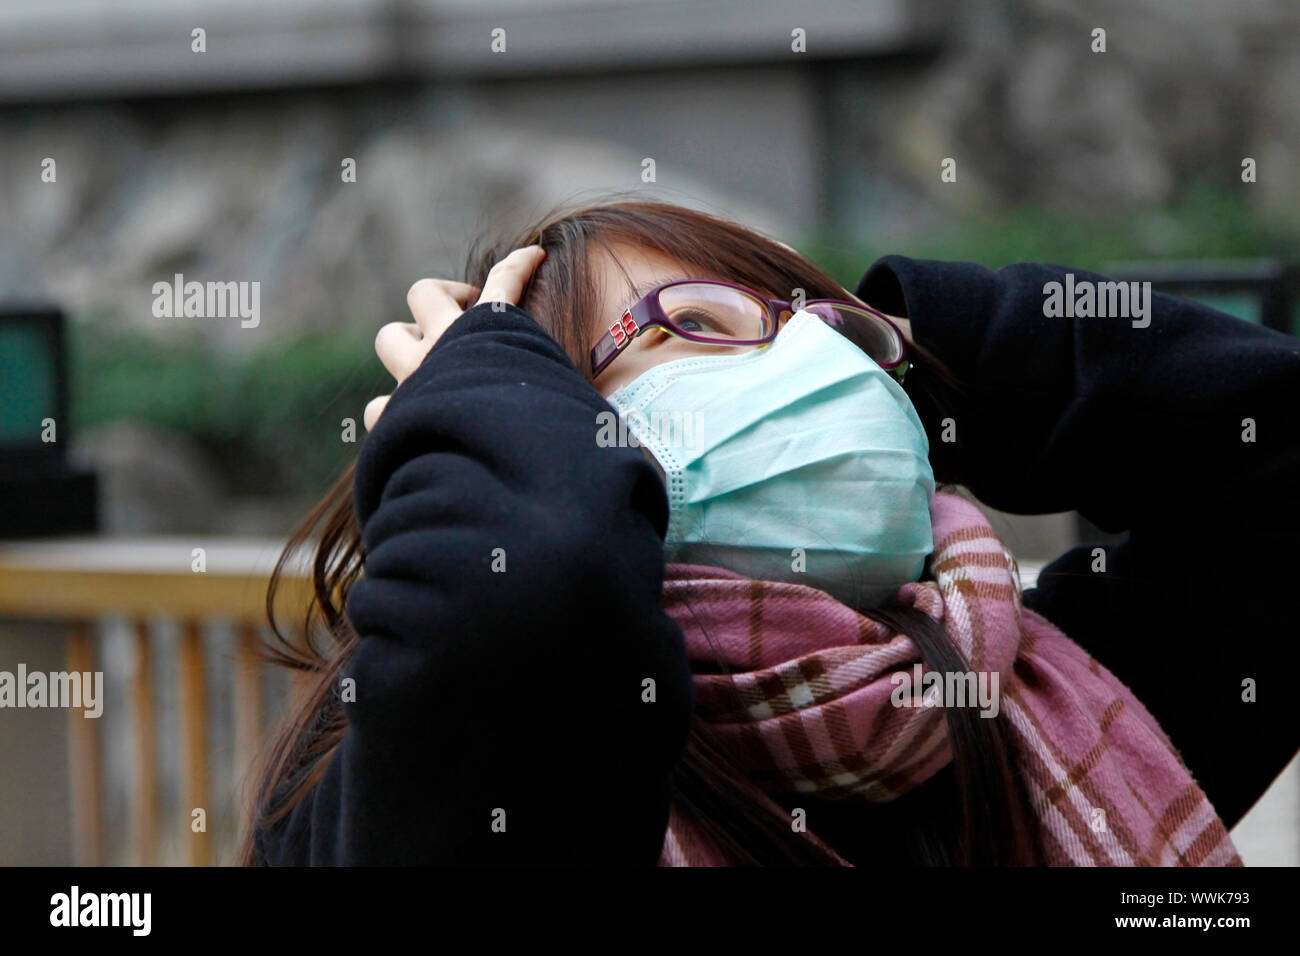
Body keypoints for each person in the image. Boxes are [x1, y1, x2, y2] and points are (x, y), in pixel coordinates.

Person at [241, 199, 1300, 866]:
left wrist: (907, 344)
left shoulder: (1033, 704)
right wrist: (478, 382)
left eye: (829, 338)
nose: (815, 362)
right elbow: (535, 599)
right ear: (561, 434)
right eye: (701, 322)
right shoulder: (413, 779)